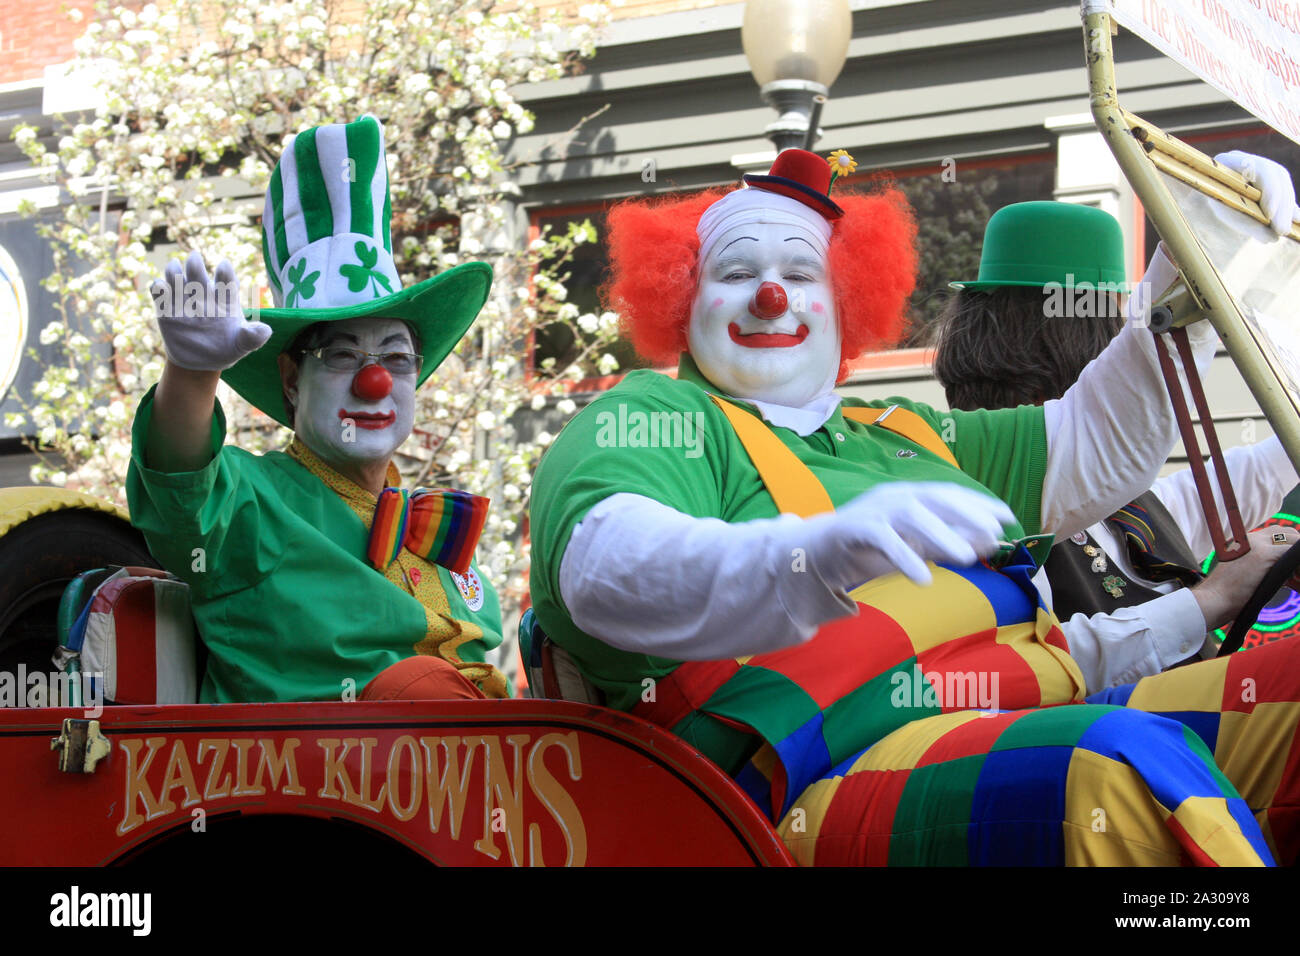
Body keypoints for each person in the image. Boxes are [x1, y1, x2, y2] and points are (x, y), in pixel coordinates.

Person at [529, 147, 1300, 865]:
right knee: (1113, 770)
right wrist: (807, 557)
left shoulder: (909, 431)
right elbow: (604, 566)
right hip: (789, 788)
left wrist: (1198, 256)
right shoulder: (656, 419)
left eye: (802, 273)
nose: (773, 297)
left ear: (842, 297)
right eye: (737, 272)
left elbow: (1099, 443)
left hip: (1027, 697)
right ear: (682, 295)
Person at [127, 115, 509, 704]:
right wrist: (193, 372)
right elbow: (182, 487)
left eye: (396, 356)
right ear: (290, 379)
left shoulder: (442, 538)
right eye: (340, 354)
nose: (375, 380)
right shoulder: (251, 505)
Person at [932, 198, 1300, 690]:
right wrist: (1210, 600)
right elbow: (1023, 669)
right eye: (1116, 328)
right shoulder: (970, 512)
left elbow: (1243, 478)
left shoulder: (1132, 505)